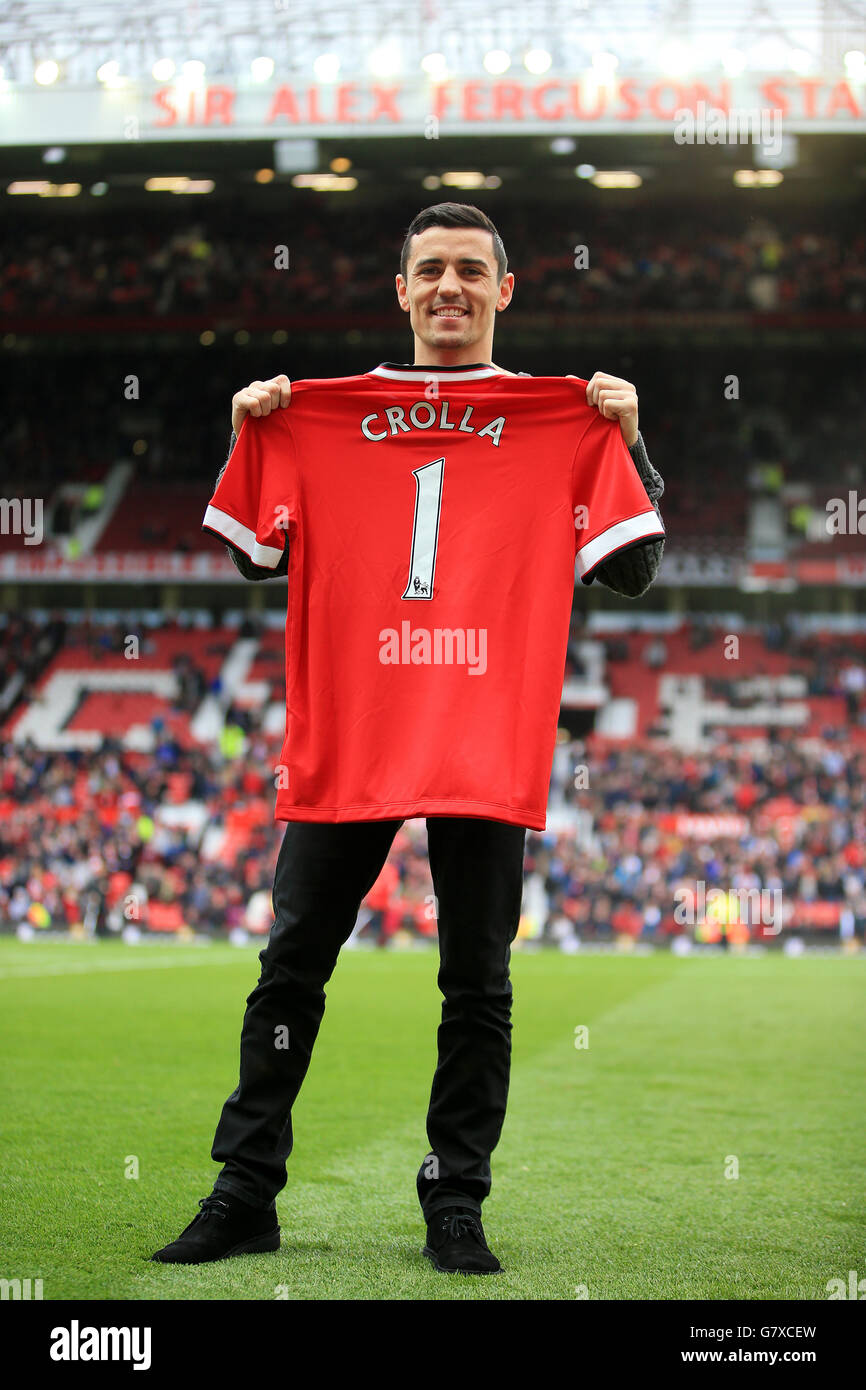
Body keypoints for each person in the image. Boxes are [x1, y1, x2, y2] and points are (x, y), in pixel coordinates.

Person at [151, 203, 666, 1275]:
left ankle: (454, 1197)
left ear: (503, 290)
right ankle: (245, 1189)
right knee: (290, 965)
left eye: (469, 271)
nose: (448, 287)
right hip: (359, 721)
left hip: (483, 726)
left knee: (475, 981)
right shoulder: (321, 411)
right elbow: (256, 555)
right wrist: (253, 424)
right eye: (428, 270)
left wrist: (628, 442)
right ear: (400, 291)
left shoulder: (560, 416)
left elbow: (629, 567)